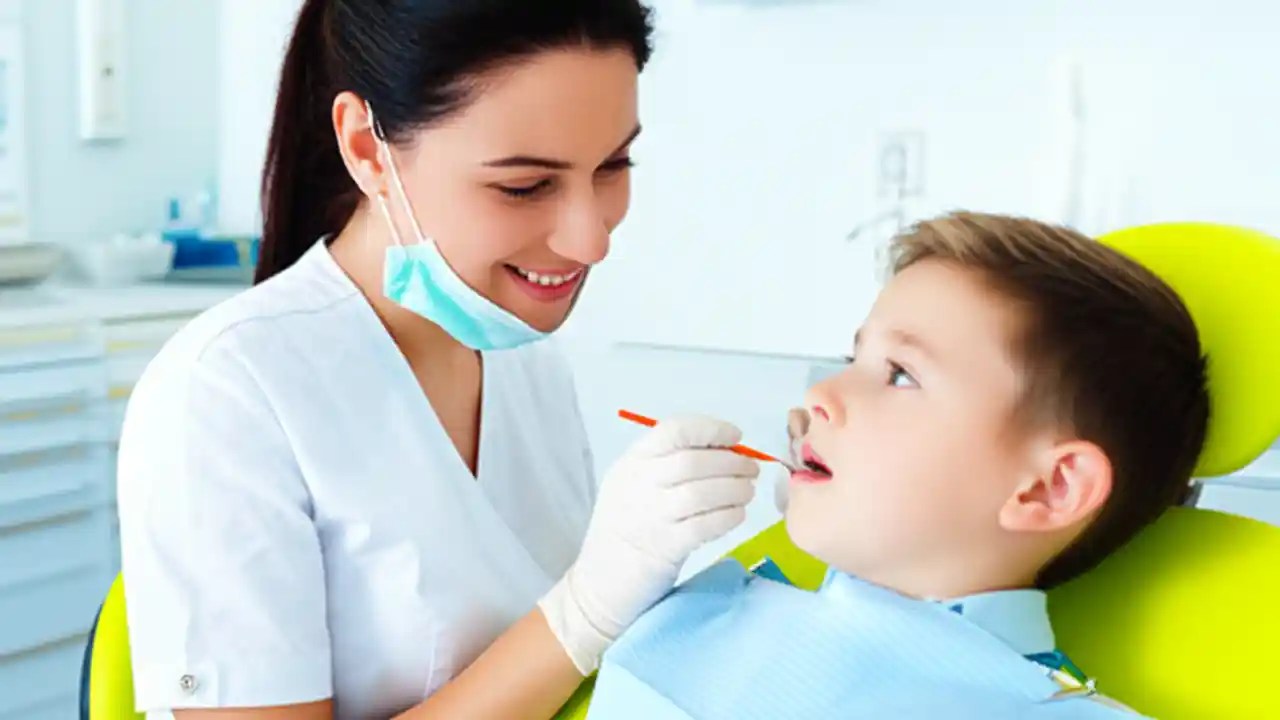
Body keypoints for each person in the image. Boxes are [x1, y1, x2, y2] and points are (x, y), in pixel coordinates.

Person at [115, 2, 762, 718]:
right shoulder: (227, 394)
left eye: (613, 165)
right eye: (524, 185)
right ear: (367, 149)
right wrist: (581, 614)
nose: (590, 240)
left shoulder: (528, 362)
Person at [587, 212, 1210, 718]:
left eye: (900, 375)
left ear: (1050, 486)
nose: (820, 397)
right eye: (852, 359)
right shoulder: (697, 613)